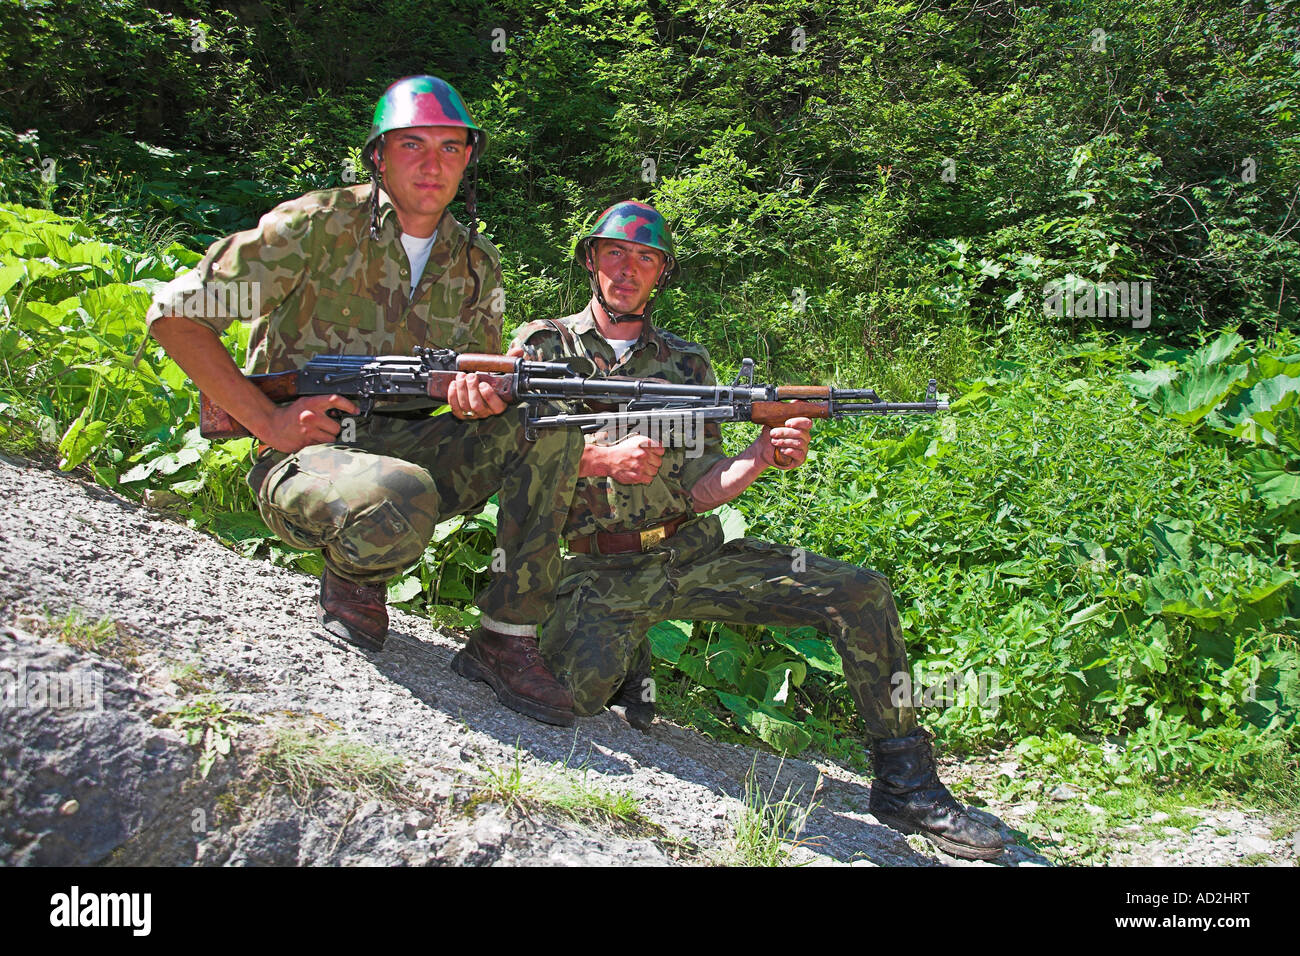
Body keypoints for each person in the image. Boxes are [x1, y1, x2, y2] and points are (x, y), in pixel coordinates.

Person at [509, 200, 1006, 859]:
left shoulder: (688, 365)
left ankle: (907, 784)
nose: (628, 269)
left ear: (662, 273)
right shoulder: (544, 344)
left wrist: (760, 456)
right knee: (559, 707)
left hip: (690, 560)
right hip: (601, 570)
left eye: (645, 258)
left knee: (861, 592)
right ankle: (628, 659)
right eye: (615, 254)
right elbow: (508, 453)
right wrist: (600, 459)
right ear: (592, 261)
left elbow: (700, 485)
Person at [147, 75, 584, 726]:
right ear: (378, 155)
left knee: (549, 420)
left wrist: (473, 396)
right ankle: (355, 577)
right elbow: (176, 318)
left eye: (451, 148)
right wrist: (267, 419)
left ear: (469, 159)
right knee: (397, 492)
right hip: (309, 452)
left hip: (409, 443)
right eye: (412, 145)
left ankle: (506, 638)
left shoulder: (477, 265)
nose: (433, 164)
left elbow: (465, 379)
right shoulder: (316, 229)